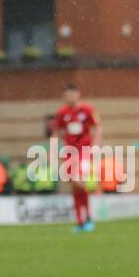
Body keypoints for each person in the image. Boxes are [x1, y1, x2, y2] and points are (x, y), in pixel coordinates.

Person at [51, 84, 100, 232]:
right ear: (64, 96)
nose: (70, 97)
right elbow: (56, 132)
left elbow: (97, 128)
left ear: (78, 94)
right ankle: (81, 221)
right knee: (74, 186)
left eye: (73, 94)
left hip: (84, 151)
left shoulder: (87, 110)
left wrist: (95, 146)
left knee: (79, 182)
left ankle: (89, 217)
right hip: (69, 152)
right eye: (67, 95)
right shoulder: (61, 113)